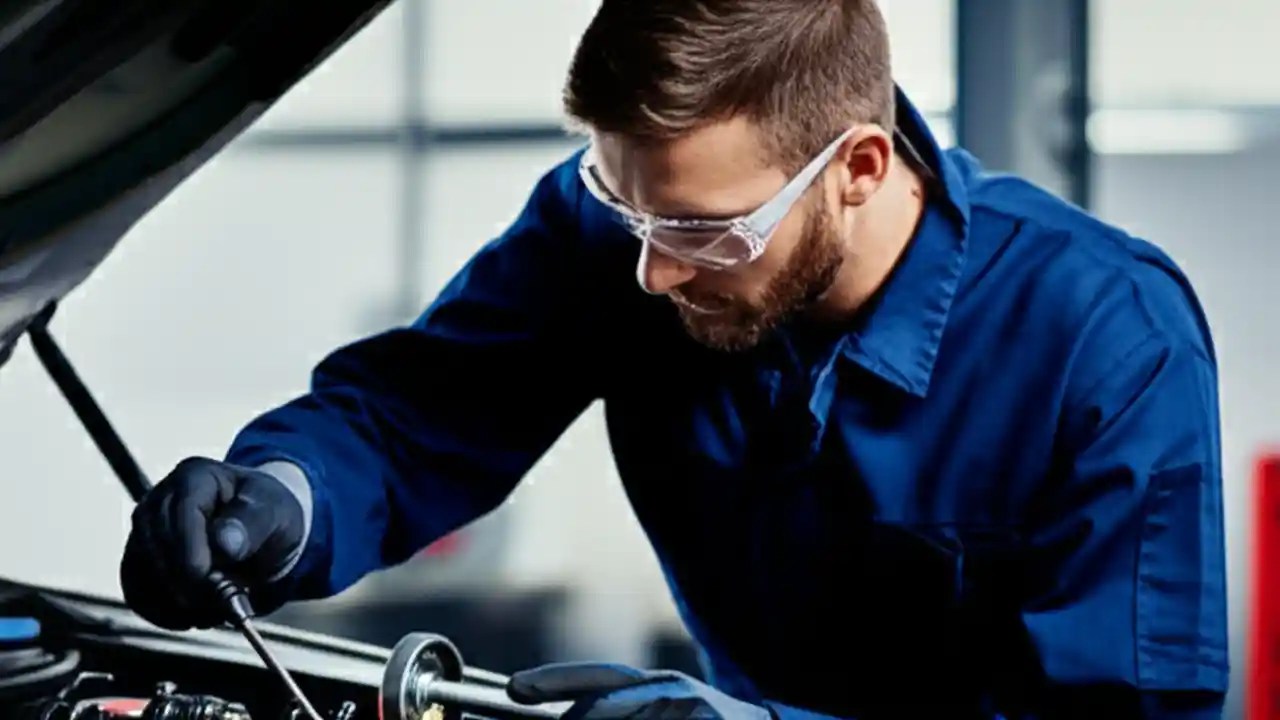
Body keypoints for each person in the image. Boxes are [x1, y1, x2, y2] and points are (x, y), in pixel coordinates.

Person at [118, 1, 1230, 718]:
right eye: (624, 206)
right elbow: (421, 414)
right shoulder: (629, 233)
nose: (653, 272)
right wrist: (283, 497)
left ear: (857, 165)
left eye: (705, 232)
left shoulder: (1106, 340)